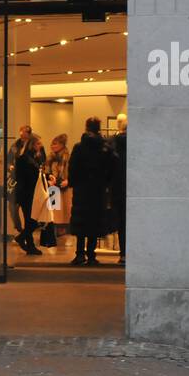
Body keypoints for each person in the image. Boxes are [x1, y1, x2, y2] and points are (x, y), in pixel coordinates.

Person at [67, 117, 116, 266]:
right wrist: (106, 184)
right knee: (95, 223)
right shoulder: (105, 148)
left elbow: (73, 168)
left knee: (81, 223)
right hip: (98, 190)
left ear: (86, 127)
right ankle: (92, 255)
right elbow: (111, 168)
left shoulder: (79, 147)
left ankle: (80, 254)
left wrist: (73, 183)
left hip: (82, 190)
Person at [111, 113, 128, 265]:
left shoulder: (113, 145)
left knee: (122, 222)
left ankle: (123, 254)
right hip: (134, 189)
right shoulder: (137, 145)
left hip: (118, 189)